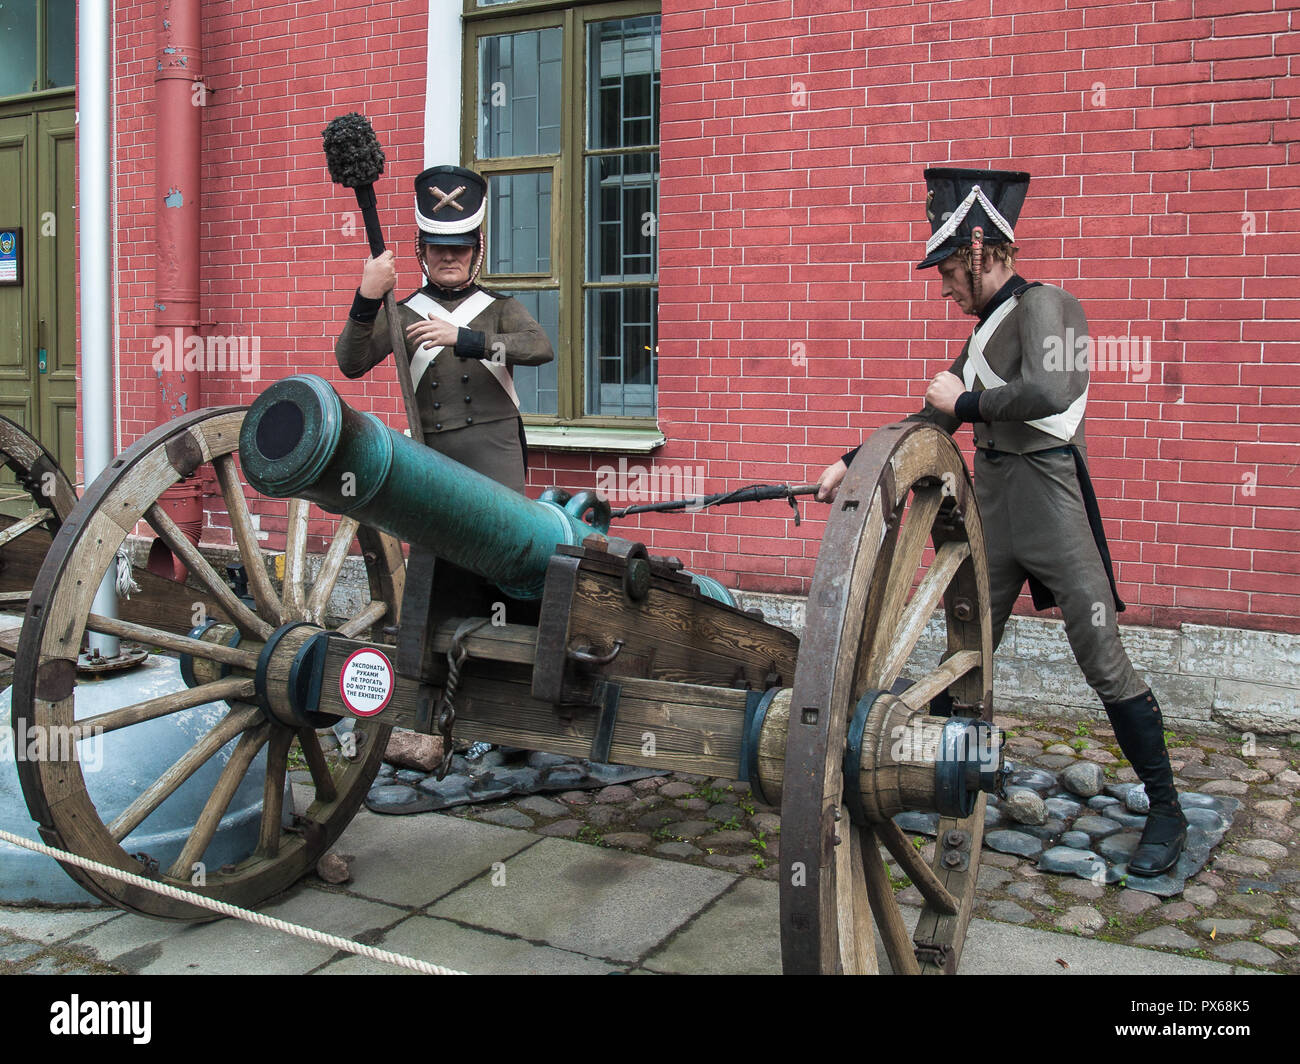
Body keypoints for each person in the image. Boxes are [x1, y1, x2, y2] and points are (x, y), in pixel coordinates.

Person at [817, 167, 1186, 877]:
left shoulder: (1052, 304)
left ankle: (1165, 808)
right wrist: (847, 460)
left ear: (983, 251)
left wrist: (966, 408)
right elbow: (932, 413)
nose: (945, 287)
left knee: (1102, 656)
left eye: (951, 270)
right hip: (993, 505)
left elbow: (1055, 387)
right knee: (968, 648)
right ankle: (960, 779)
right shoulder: (984, 331)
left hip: (1050, 501)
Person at [335, 164, 553, 495]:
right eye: (438, 248)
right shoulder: (404, 313)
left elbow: (539, 348)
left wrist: (463, 338)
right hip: (432, 454)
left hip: (495, 452)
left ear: (476, 251)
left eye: (460, 248)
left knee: (499, 542)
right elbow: (351, 364)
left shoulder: (499, 308)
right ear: (422, 251)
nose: (449, 257)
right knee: (429, 547)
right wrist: (367, 296)